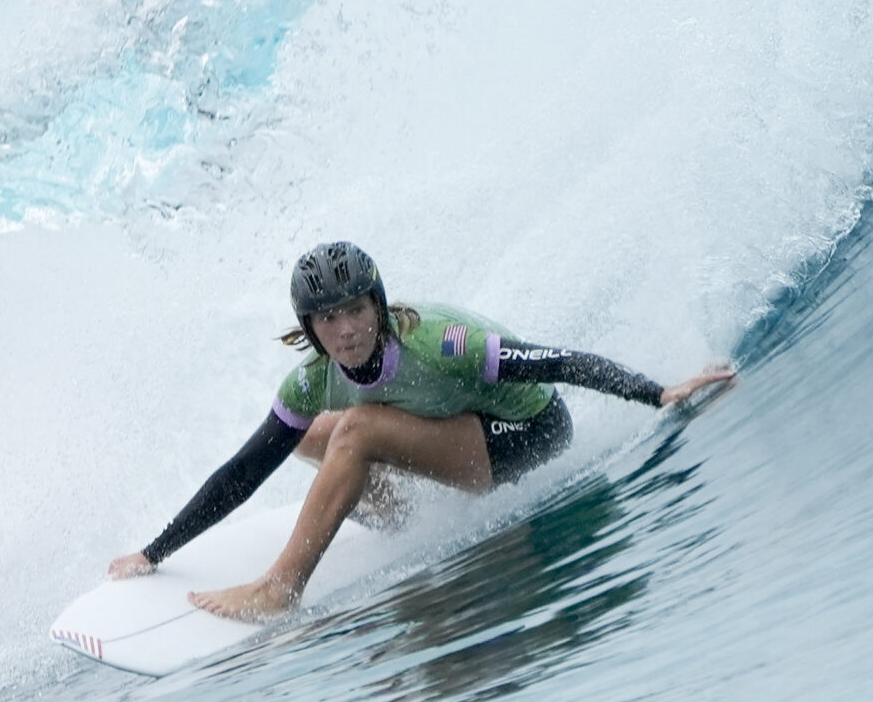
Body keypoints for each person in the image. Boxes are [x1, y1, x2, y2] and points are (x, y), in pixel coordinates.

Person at [106, 241, 737, 620]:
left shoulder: (441, 342)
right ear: (309, 327)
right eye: (328, 318)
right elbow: (243, 473)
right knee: (300, 433)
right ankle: (399, 515)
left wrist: (658, 391)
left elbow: (557, 363)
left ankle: (280, 588)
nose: (347, 329)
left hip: (528, 432)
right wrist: (154, 552)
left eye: (356, 308)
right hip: (456, 432)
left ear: (378, 304)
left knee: (354, 431)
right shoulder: (312, 380)